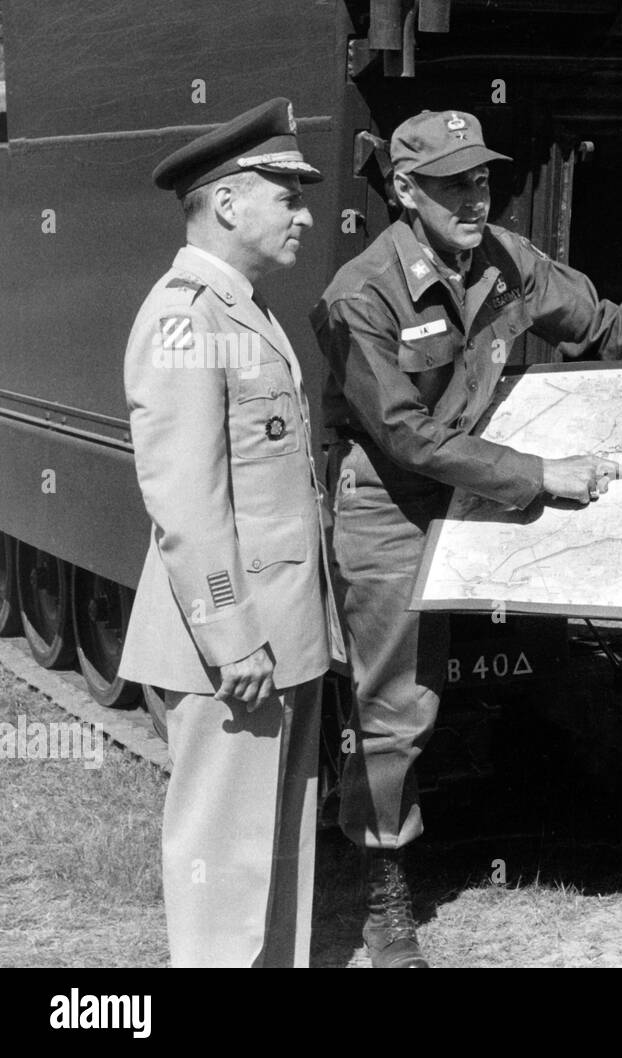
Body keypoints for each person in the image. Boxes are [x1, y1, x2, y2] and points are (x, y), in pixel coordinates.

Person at [312, 109, 622, 968]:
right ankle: (386, 904)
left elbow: (600, 320)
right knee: (394, 712)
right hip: (396, 505)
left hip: (487, 479)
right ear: (405, 192)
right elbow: (407, 436)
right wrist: (538, 474)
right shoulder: (360, 296)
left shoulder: (505, 259)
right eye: (452, 182)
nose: (474, 196)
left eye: (482, 177)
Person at [120, 97, 344, 967]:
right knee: (225, 869)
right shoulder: (188, 316)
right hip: (235, 647)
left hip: (279, 636)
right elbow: (186, 500)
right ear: (226, 203)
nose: (305, 215)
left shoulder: (242, 307)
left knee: (277, 855)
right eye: (287, 195)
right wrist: (232, 635)